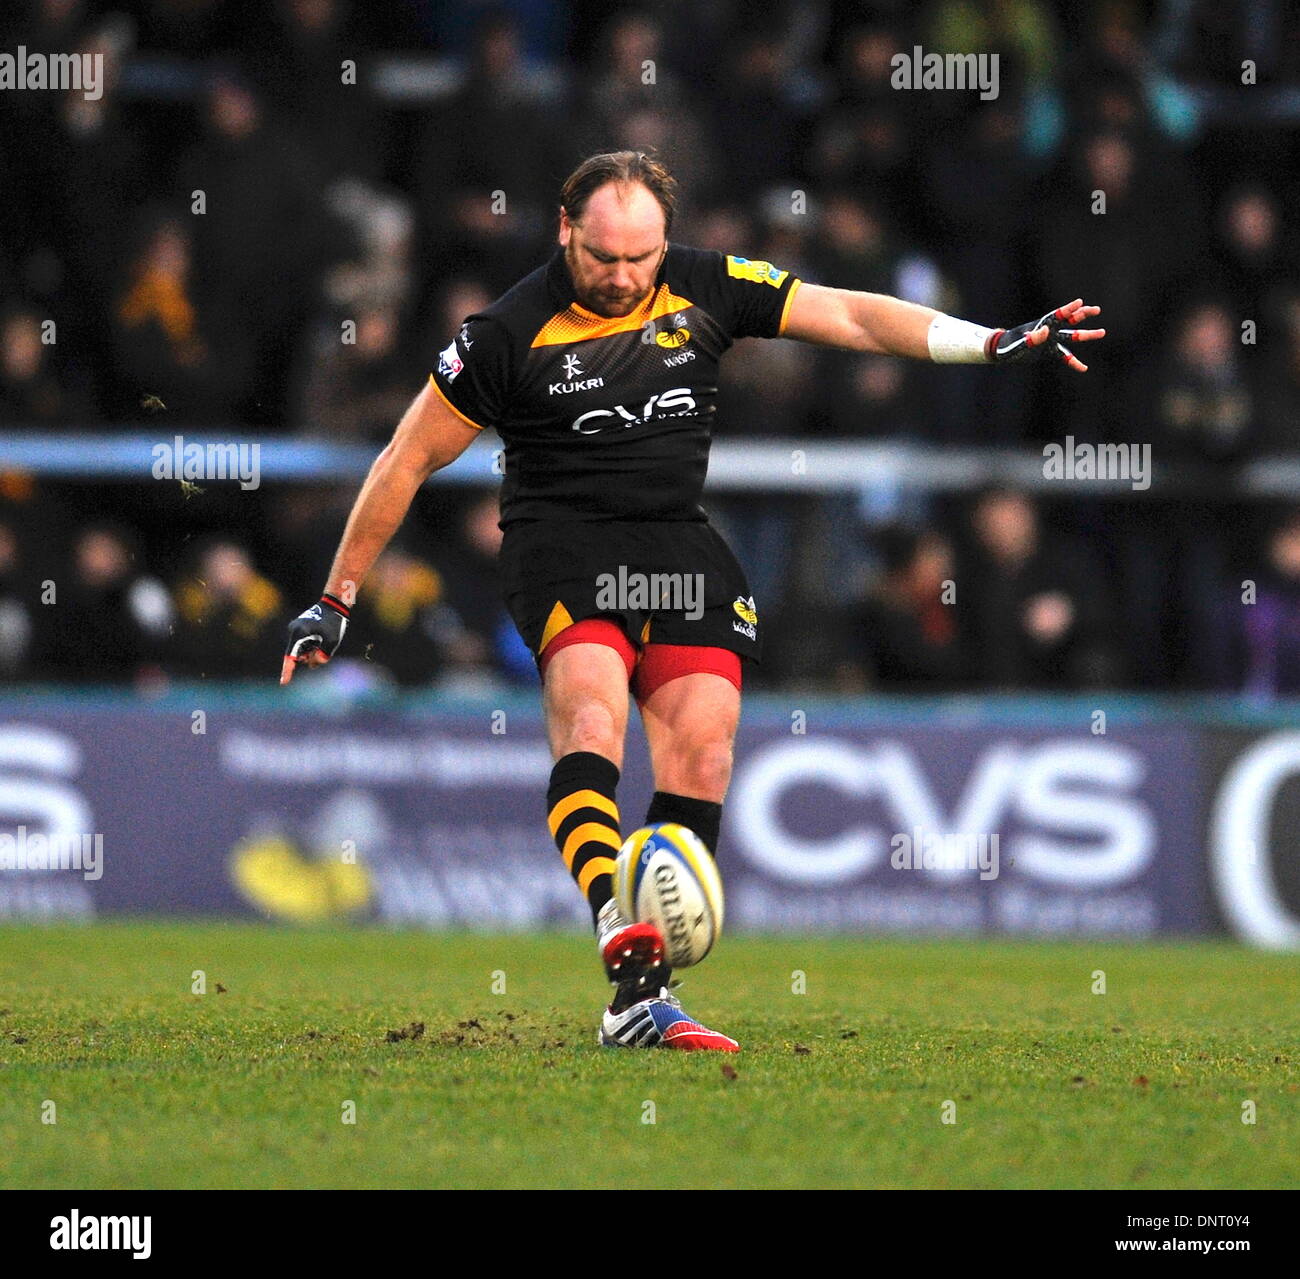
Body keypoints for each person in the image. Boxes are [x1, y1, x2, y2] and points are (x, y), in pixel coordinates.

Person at [279, 150, 1104, 1052]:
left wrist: (988, 339)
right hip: (562, 546)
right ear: (565, 231)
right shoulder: (505, 333)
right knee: (593, 718)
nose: (626, 278)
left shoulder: (705, 283)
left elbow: (852, 315)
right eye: (605, 258)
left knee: (703, 756)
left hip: (678, 546)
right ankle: (615, 927)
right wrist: (336, 597)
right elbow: (406, 457)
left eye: (642, 257)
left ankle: (640, 1001)